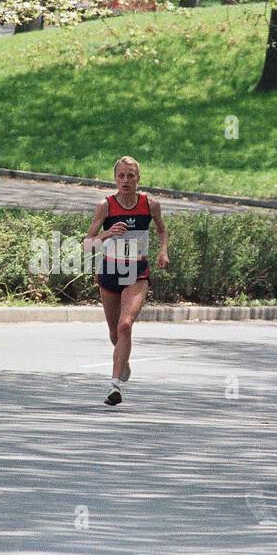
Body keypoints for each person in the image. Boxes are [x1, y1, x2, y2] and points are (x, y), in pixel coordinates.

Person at [84, 156, 169, 406]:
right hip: (110, 269)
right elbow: (87, 243)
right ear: (115, 179)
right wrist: (107, 232)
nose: (126, 180)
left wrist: (163, 250)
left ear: (138, 179)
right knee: (114, 332)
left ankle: (114, 386)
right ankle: (124, 361)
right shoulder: (106, 206)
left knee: (125, 326)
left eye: (131, 175)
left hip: (137, 271)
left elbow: (162, 229)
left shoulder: (150, 204)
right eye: (121, 175)